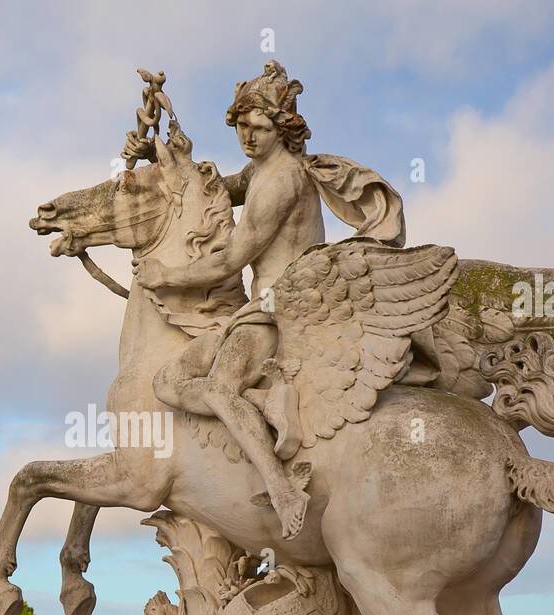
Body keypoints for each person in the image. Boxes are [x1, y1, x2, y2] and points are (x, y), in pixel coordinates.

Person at [136, 61, 405, 538]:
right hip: (254, 310)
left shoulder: (282, 180)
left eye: (259, 128)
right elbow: (217, 187)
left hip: (279, 309)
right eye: (241, 126)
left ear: (282, 129)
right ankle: (264, 402)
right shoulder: (261, 169)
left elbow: (231, 259)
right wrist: (166, 154)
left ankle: (282, 490)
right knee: (167, 382)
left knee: (218, 388)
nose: (248, 137)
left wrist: (166, 276)